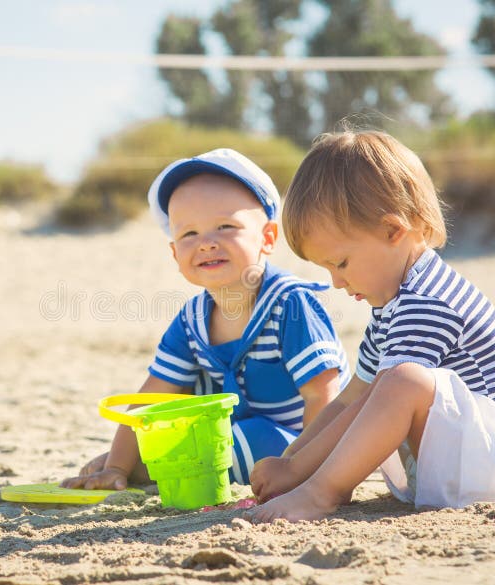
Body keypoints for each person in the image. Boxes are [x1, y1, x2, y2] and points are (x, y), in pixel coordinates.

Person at [246, 130, 495, 523]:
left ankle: (322, 495)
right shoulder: (392, 305)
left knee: (403, 381)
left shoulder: (428, 300)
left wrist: (311, 480)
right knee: (384, 385)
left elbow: (386, 398)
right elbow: (347, 399)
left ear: (393, 231)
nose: (336, 282)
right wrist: (292, 463)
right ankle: (316, 486)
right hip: (461, 466)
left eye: (340, 263)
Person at [62, 148, 351, 490]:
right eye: (189, 234)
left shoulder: (289, 304)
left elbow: (324, 397)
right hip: (230, 436)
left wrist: (308, 472)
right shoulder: (191, 321)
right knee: (168, 431)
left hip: (300, 443)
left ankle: (151, 470)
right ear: (174, 252)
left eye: (225, 227)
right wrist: (116, 465)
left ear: (267, 238)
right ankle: (141, 469)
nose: (206, 244)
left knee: (247, 437)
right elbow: (152, 399)